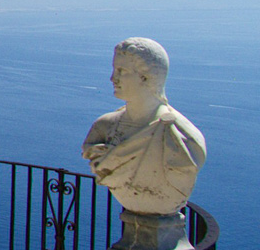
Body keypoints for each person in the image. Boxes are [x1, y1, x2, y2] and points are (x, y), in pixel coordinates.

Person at [82, 37, 206, 216]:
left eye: (121, 71)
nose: (112, 78)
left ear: (146, 77)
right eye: (114, 70)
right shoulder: (103, 128)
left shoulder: (181, 136)